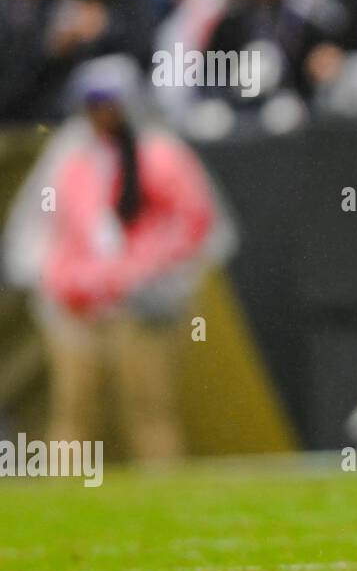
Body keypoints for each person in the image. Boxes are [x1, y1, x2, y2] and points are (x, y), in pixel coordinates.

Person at [2, 56, 235, 460]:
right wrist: (55, 282)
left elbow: (200, 228)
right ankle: (66, 510)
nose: (104, 113)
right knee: (73, 412)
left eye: (111, 102)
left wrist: (149, 277)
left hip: (140, 305)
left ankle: (164, 507)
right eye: (95, 104)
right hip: (76, 307)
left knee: (148, 410)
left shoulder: (161, 154)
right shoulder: (71, 157)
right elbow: (39, 228)